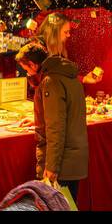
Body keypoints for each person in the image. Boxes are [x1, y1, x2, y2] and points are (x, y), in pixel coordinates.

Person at [20, 17, 90, 201]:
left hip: (62, 161)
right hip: (71, 159)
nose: (68, 36)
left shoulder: (53, 79)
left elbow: (56, 128)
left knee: (59, 204)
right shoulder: (63, 71)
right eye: (66, 32)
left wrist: (50, 167)